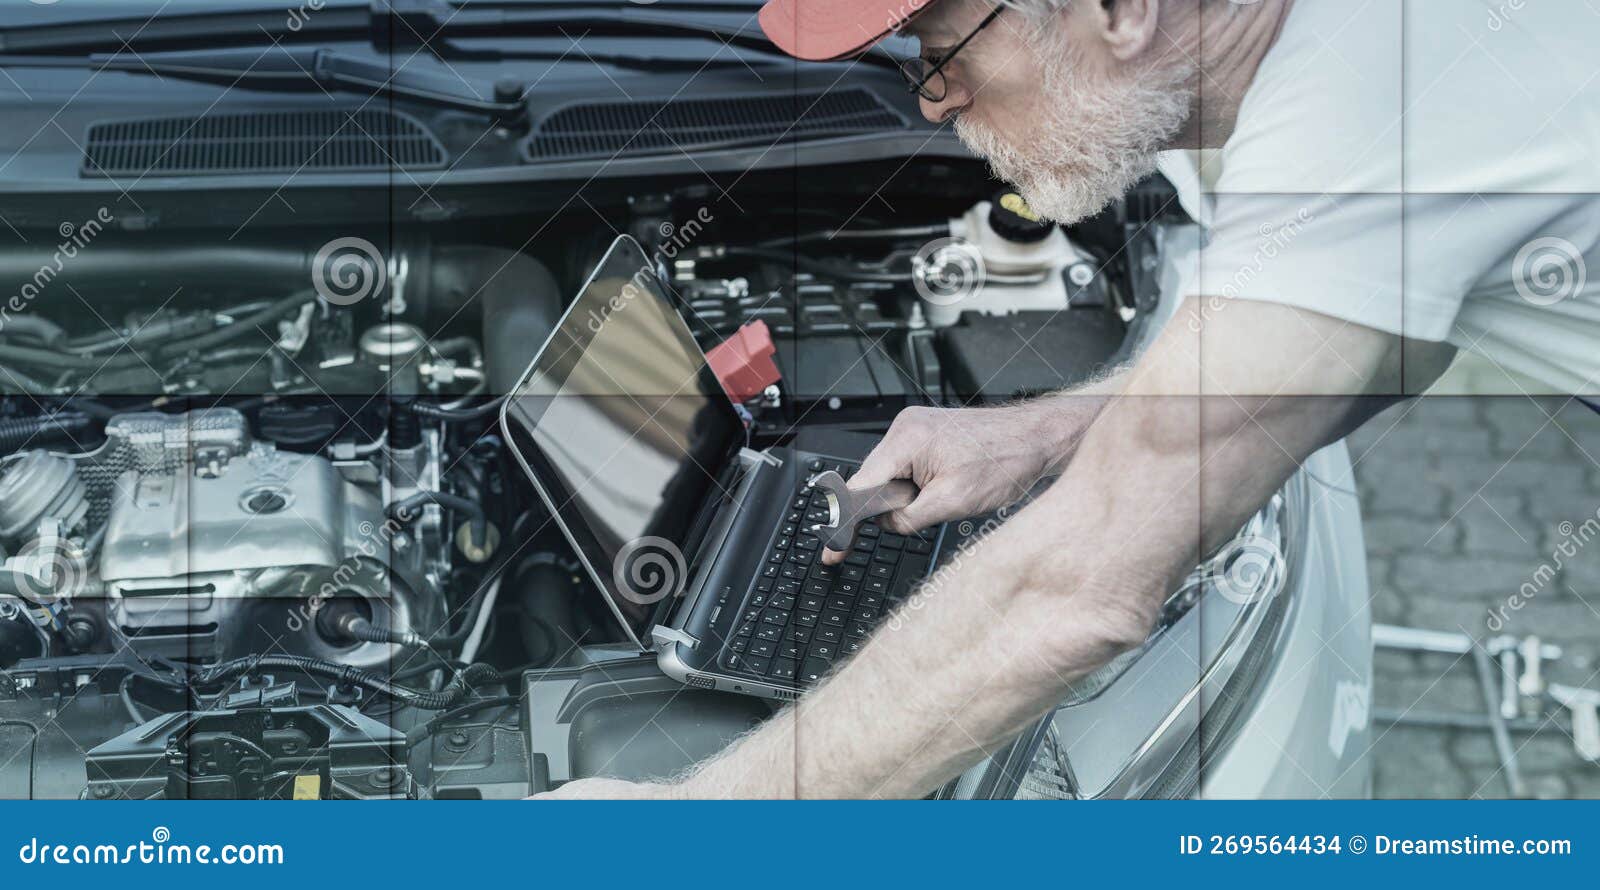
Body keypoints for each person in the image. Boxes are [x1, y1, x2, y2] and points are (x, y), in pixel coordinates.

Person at [541, 0, 1600, 798]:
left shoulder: (1362, 98)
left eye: (943, 47)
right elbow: (1378, 346)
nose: (930, 99)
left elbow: (1078, 591)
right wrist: (1042, 431)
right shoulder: (1232, 93)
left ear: (1118, 9)